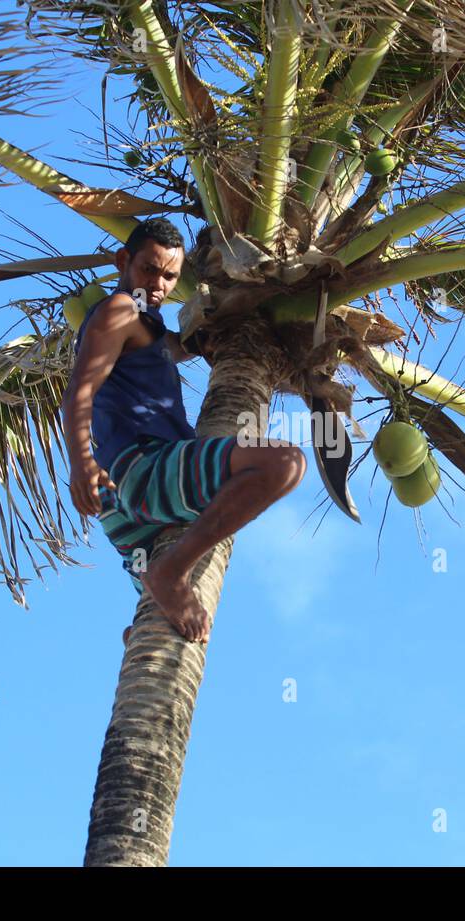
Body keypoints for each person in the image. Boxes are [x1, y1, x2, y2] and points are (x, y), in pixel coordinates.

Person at [61, 218, 306, 645]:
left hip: (122, 512)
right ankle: (171, 569)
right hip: (144, 472)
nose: (158, 284)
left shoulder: (150, 330)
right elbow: (79, 390)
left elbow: (182, 347)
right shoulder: (121, 309)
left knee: (152, 630)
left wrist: (232, 323)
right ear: (124, 262)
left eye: (170, 276)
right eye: (148, 270)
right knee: (285, 464)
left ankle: (146, 616)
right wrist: (80, 462)